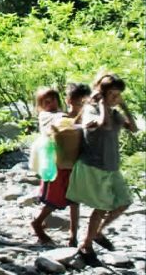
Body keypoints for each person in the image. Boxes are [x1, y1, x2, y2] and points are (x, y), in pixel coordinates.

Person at [67, 74, 138, 266]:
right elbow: (103, 125)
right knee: (101, 207)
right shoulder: (91, 110)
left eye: (118, 95)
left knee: (123, 202)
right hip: (94, 166)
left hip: (111, 166)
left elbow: (134, 128)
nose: (116, 98)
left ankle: (97, 233)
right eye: (113, 95)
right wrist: (101, 105)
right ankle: (86, 245)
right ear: (103, 93)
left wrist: (123, 106)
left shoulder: (115, 113)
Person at [31, 83, 90, 245]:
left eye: (53, 100)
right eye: (46, 102)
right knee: (54, 200)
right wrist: (77, 114)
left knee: (74, 200)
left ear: (59, 100)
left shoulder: (62, 114)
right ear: (40, 106)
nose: (50, 104)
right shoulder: (46, 116)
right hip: (56, 165)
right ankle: (37, 223)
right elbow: (61, 122)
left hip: (72, 163)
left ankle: (74, 236)